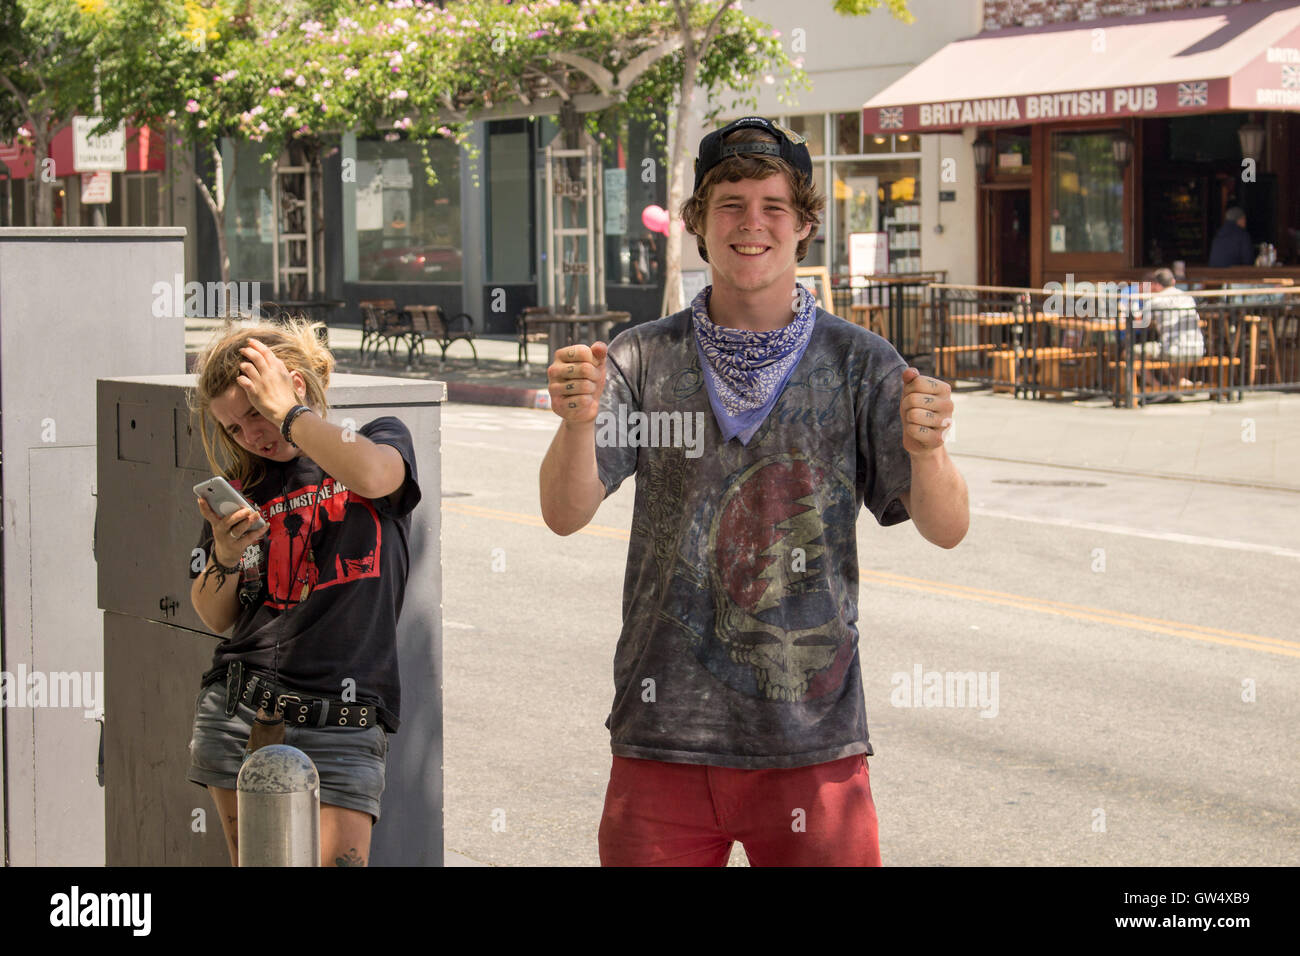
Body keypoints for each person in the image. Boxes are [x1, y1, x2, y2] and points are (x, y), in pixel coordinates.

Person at [538, 117, 969, 866]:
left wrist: (928, 451)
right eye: (730, 204)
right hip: (661, 733)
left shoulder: (860, 362)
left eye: (773, 206)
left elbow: (948, 527)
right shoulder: (642, 357)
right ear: (699, 225)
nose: (752, 224)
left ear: (804, 226)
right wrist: (577, 425)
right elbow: (564, 513)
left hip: (813, 742)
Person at [185, 317, 421, 866]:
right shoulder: (244, 488)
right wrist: (223, 551)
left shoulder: (379, 437)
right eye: (234, 428)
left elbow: (378, 478)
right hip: (241, 704)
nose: (251, 436)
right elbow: (213, 614)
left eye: (253, 412)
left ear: (293, 384)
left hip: (345, 713)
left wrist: (290, 417)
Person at [1135, 267, 1204, 396]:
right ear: (1173, 282)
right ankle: (1178, 383)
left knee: (1130, 354)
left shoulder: (1154, 301)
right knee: (1161, 350)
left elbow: (1140, 323)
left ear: (1155, 285)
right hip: (1197, 349)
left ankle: (1159, 388)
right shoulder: (1187, 298)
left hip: (1172, 350)